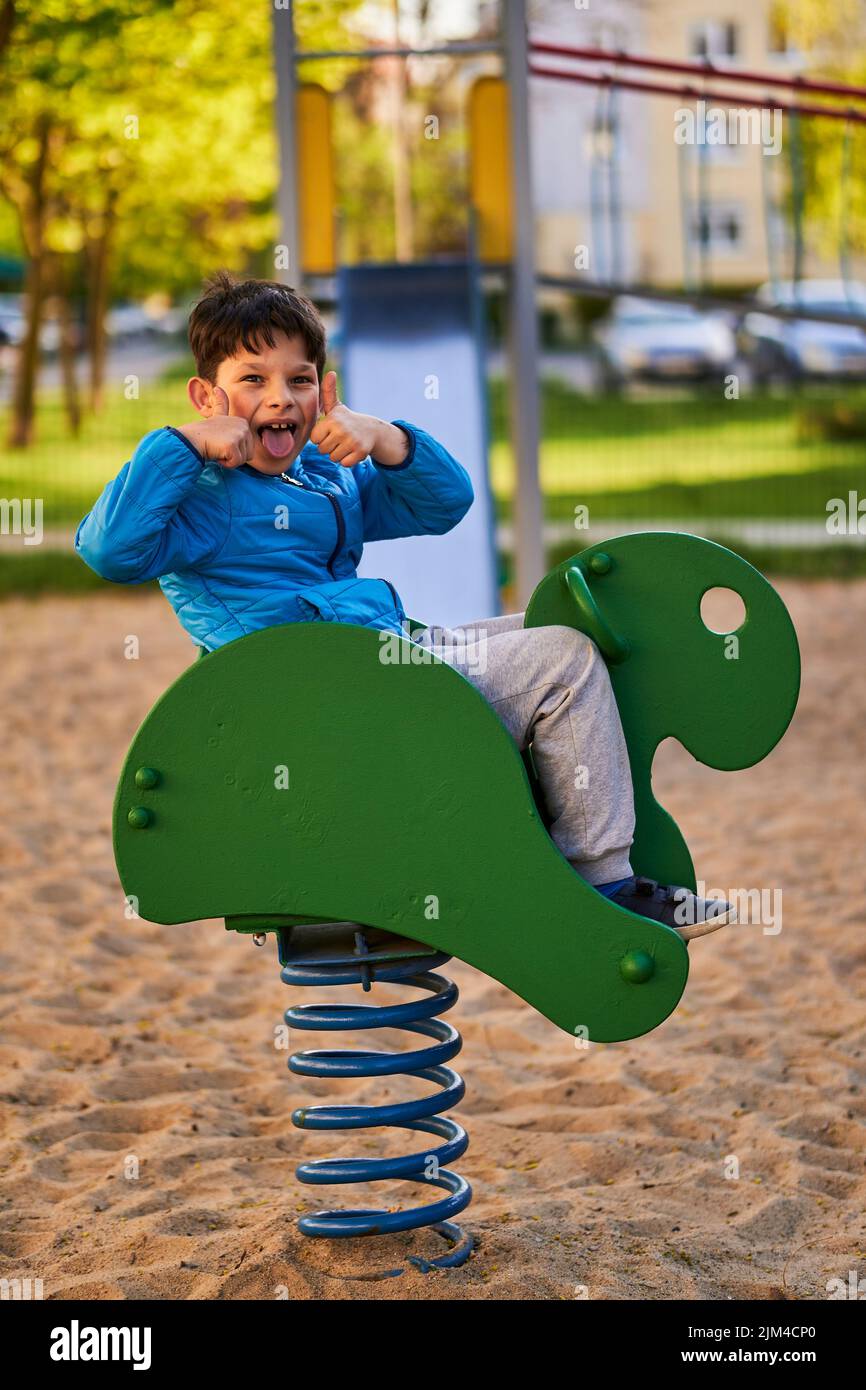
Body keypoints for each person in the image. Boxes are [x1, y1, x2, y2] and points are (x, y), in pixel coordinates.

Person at [75, 272, 733, 939]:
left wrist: (383, 436)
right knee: (563, 661)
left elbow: (444, 502)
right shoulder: (203, 497)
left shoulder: (325, 474)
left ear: (322, 390)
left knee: (552, 630)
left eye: (299, 380)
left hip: (376, 661)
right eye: (252, 381)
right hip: (318, 698)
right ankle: (606, 885)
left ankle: (540, 826)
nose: (281, 399)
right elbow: (109, 551)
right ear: (205, 395)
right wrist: (182, 446)